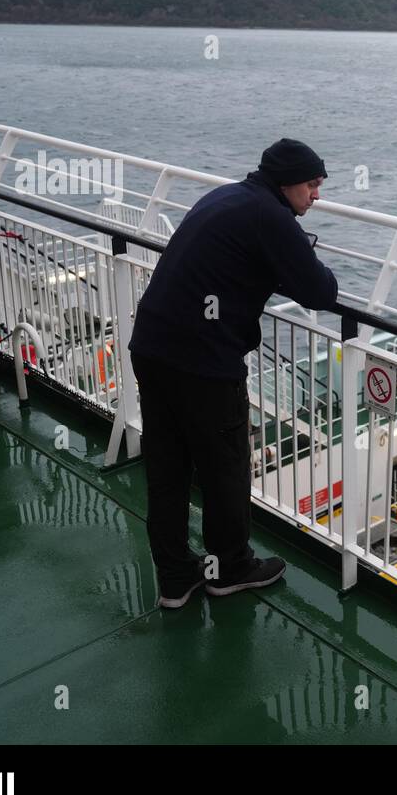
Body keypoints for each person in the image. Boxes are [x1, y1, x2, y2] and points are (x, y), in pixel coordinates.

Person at [129, 139, 338, 608]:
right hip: (201, 364)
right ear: (287, 183)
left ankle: (176, 579)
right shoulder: (272, 217)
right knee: (224, 469)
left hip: (152, 346)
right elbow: (322, 290)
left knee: (167, 470)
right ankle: (231, 569)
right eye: (312, 184)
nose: (317, 196)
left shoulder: (226, 196)